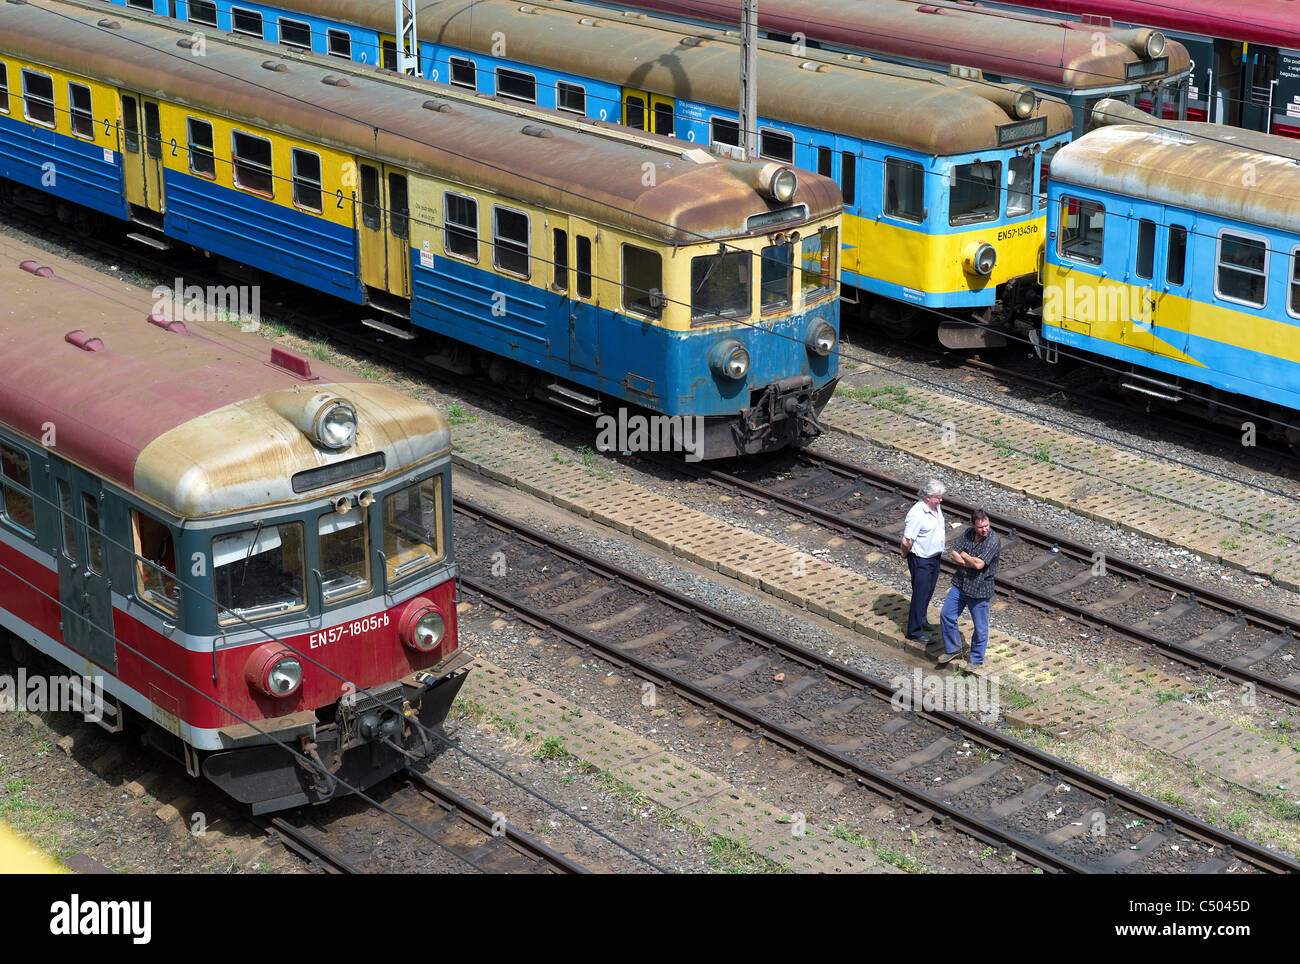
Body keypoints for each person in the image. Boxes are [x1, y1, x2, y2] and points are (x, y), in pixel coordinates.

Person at [938, 509, 1001, 667]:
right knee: (946, 615)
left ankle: (976, 659)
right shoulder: (967, 533)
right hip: (960, 584)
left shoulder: (993, 540)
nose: (985, 529)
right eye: (980, 527)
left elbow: (979, 565)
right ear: (974, 525)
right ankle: (953, 649)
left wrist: (965, 555)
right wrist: (969, 561)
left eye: (986, 525)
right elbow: (953, 554)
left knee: (980, 628)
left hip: (980, 590)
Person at [900, 479, 945, 644]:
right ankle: (914, 631)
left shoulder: (935, 508)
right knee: (920, 593)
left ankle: (922, 618)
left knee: (928, 590)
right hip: (921, 559)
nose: (941, 500)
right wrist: (905, 555)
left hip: (934, 557)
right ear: (927, 497)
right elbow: (906, 541)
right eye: (937, 497)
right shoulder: (916, 513)